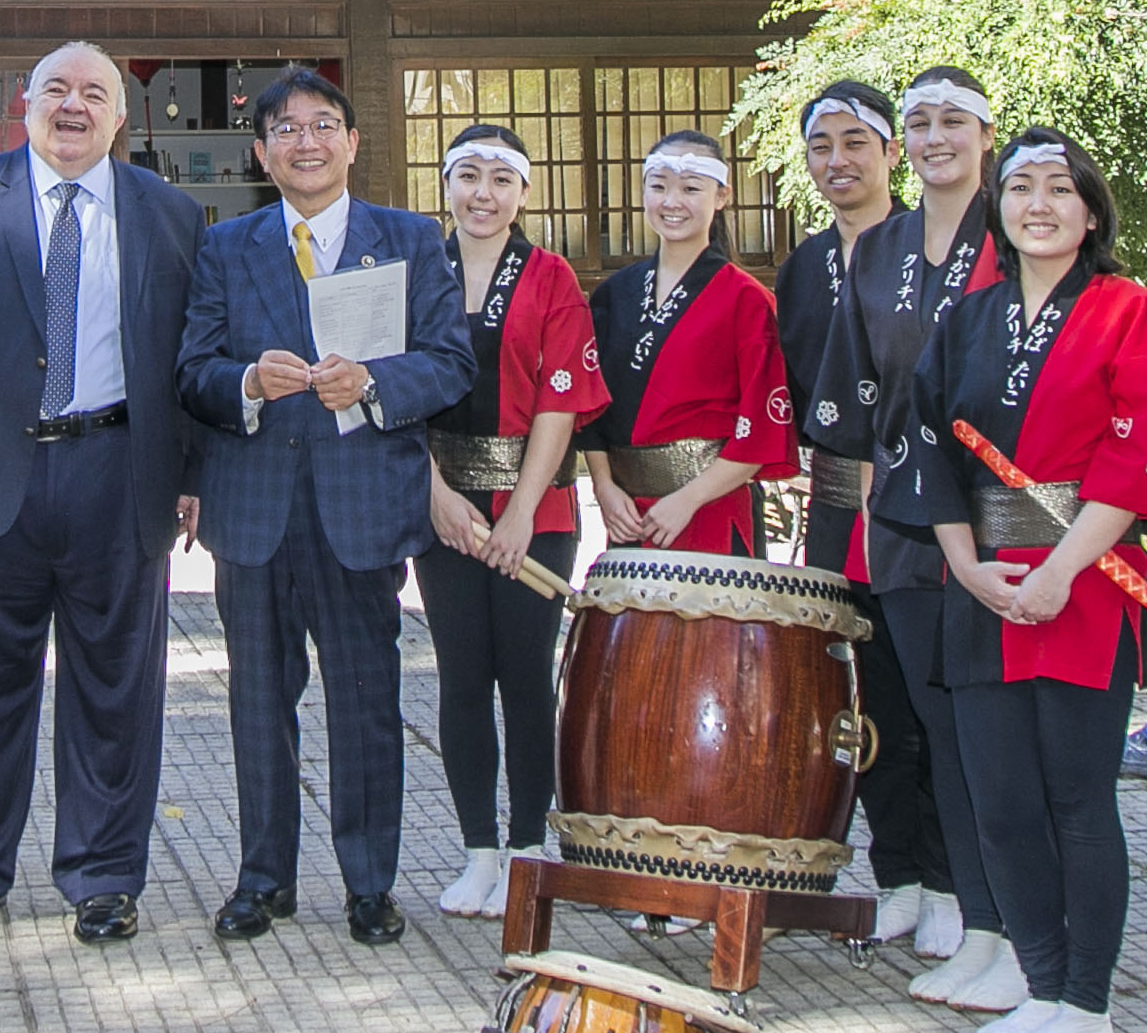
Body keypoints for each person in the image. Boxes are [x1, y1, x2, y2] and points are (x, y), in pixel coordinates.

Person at [0, 42, 206, 945]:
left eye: (96, 92)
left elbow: (191, 359)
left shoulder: (169, 213)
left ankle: (102, 875)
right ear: (25, 101)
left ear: (120, 117)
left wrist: (194, 476)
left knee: (115, 692)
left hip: (117, 472)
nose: (74, 105)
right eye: (57, 87)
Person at [885, 128, 1147, 1033]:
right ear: (998, 209)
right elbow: (926, 446)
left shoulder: (1128, 310)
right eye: (1021, 188)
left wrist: (1061, 569)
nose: (1039, 204)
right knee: (1001, 799)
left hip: (1085, 586)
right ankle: (1042, 977)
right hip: (981, 587)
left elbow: (1138, 452)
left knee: (1077, 800)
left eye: (1060, 188)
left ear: (1091, 210)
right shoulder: (967, 319)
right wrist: (967, 566)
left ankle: (1089, 997)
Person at [176, 68, 471, 947]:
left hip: (361, 507)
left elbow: (452, 363)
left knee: (365, 698)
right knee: (259, 701)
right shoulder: (227, 247)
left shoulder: (410, 239)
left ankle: (371, 882)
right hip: (256, 506)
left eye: (324, 124)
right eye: (287, 129)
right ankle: (262, 877)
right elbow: (191, 370)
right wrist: (245, 384)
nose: (307, 141)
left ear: (351, 142)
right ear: (262, 152)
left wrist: (376, 380)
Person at [845, 67, 1013, 1008]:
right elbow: (867, 394)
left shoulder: (1022, 225)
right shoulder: (880, 248)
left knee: (998, 734)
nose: (935, 135)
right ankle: (976, 919)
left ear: (988, 134)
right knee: (937, 723)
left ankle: (1015, 923)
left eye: (955, 120)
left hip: (1008, 517)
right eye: (919, 121)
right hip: (909, 516)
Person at [414, 121, 601, 923]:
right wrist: (435, 497)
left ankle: (528, 847)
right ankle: (477, 849)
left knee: (526, 677)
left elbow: (562, 396)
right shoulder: (419, 268)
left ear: (524, 192)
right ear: (446, 186)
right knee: (461, 676)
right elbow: (393, 389)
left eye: (500, 178)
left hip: (537, 510)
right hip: (443, 511)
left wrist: (522, 511)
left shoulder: (553, 276)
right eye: (468, 176)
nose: (482, 193)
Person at [775, 80, 945, 945]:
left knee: (930, 695)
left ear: (890, 154)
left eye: (854, 143)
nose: (836, 161)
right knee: (865, 698)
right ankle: (900, 869)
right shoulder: (804, 266)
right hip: (839, 506)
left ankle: (954, 882)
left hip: (923, 504)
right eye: (820, 146)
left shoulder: (932, 249)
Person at [581, 135, 793, 559]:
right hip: (628, 514)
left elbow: (762, 427)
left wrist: (689, 499)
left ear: (722, 197)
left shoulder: (746, 298)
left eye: (691, 188)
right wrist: (604, 487)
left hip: (711, 508)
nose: (672, 201)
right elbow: (591, 407)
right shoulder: (613, 294)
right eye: (658, 186)